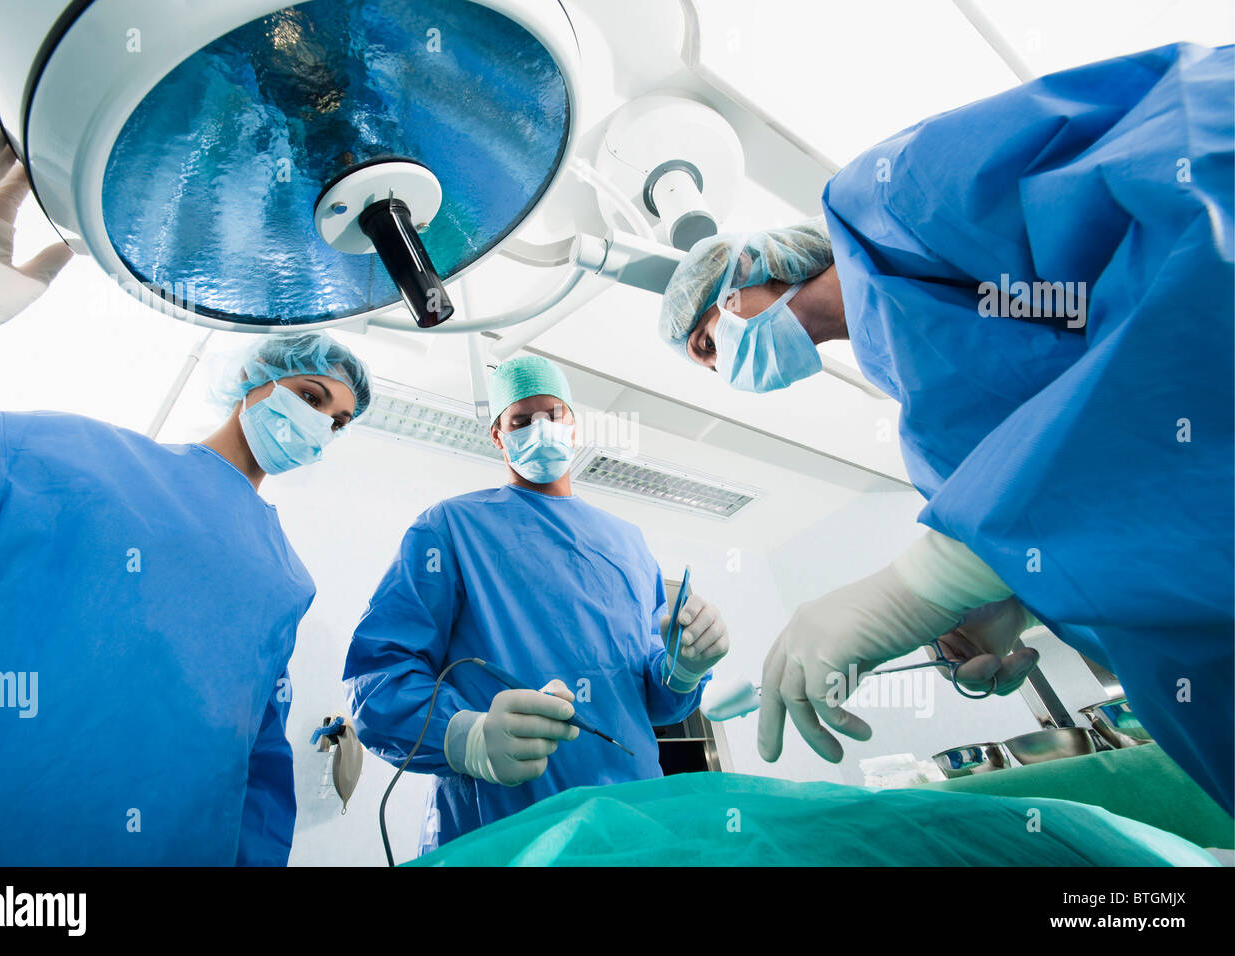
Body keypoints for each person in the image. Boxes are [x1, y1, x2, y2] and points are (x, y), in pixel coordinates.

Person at [656, 43, 1233, 812]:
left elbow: (1192, 173)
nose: (724, 365)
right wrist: (1005, 603)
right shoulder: (929, 433)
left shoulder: (892, 205)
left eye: (708, 342)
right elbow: (1117, 516)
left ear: (747, 271)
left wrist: (929, 579)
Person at [0, 129, 373, 864]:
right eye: (309, 394)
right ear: (253, 380)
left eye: (338, 421)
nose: (321, 426)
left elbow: (256, 778)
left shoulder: (286, 580)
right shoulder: (51, 455)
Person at [343, 355, 730, 852]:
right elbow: (379, 677)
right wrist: (469, 737)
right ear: (498, 437)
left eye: (553, 414)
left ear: (574, 424)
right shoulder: (450, 529)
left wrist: (684, 669)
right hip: (504, 833)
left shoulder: (629, 544)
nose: (540, 428)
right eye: (521, 421)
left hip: (632, 822)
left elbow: (649, 701)